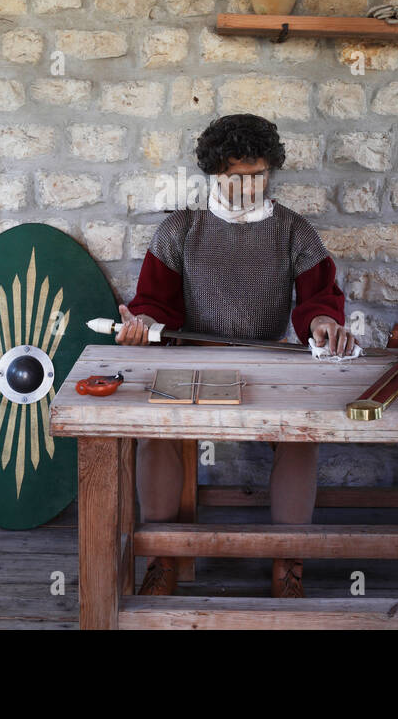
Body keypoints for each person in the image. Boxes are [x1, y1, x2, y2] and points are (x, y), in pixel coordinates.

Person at [115, 113, 356, 598]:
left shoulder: (293, 231)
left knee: (300, 434)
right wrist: (140, 326)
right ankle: (163, 557)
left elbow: (319, 300)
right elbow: (154, 304)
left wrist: (324, 323)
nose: (248, 186)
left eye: (258, 175)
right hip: (189, 361)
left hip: (267, 361)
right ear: (213, 173)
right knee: (154, 433)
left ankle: (288, 562)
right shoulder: (181, 230)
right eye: (236, 176)